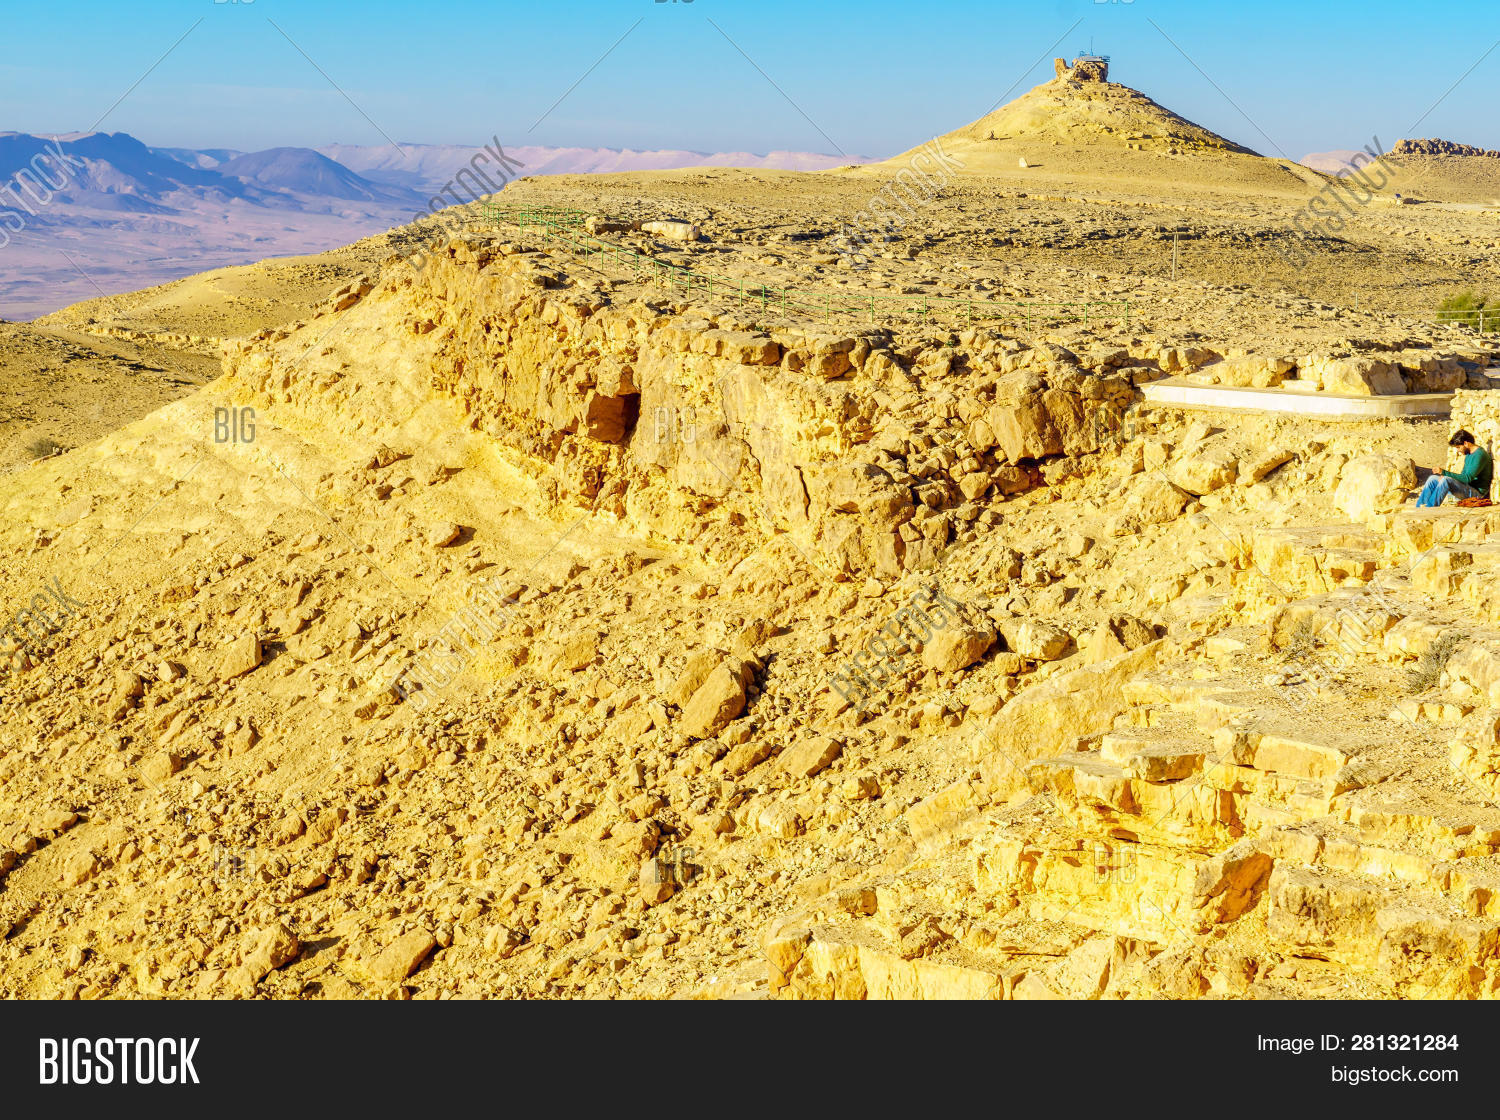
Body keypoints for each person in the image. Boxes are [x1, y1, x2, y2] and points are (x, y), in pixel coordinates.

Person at [1416, 429, 1492, 507]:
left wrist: (1444, 473)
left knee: (1446, 480)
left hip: (1477, 495)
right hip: (1466, 488)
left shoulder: (1479, 455)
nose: (1458, 450)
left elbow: (1467, 478)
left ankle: (1430, 507)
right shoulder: (1469, 454)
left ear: (1465, 443)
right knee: (1432, 479)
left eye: (1458, 447)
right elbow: (1463, 476)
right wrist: (1445, 476)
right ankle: (1419, 507)